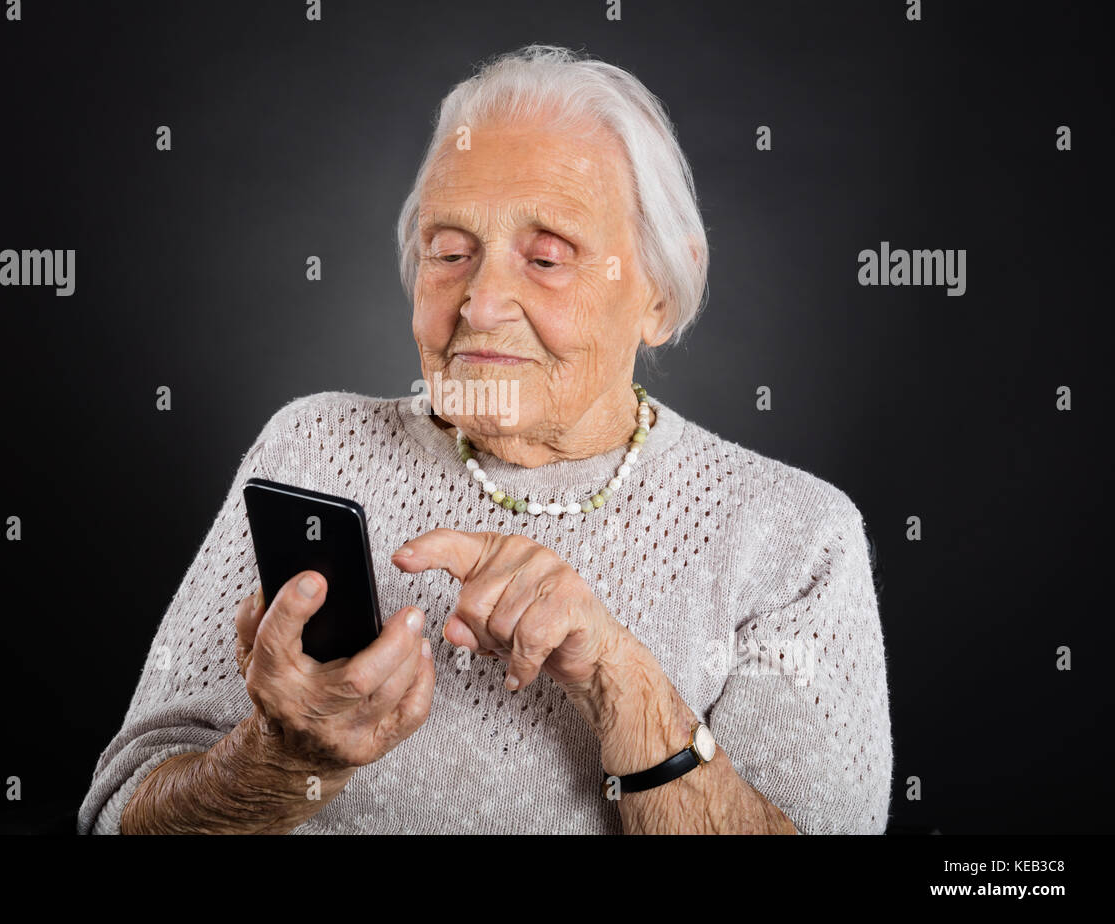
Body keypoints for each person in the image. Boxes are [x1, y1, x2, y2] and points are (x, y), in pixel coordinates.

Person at [78, 44, 892, 835]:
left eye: (547, 256)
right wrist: (280, 761)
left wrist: (619, 678)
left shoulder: (795, 536)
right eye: (450, 251)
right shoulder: (312, 447)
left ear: (658, 294)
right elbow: (117, 814)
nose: (482, 301)